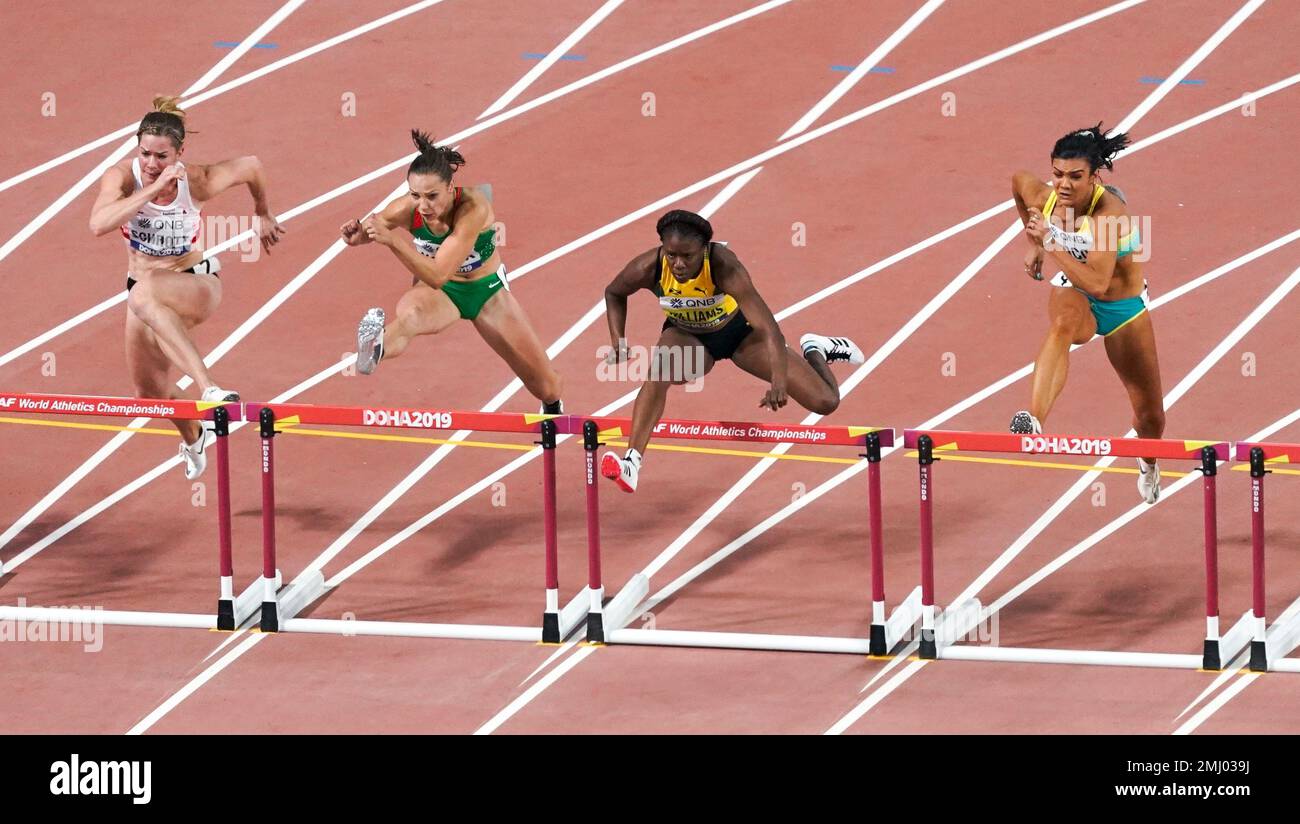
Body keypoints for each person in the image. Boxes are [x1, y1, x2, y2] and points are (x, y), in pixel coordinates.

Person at [89, 96, 284, 480]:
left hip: (195, 282)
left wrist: (262, 212)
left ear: (180, 153)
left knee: (143, 294)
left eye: (162, 157)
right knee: (149, 394)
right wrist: (151, 189)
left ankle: (209, 388)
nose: (151, 164)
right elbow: (98, 224)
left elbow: (251, 166)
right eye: (145, 154)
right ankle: (195, 434)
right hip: (144, 294)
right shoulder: (122, 178)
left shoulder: (196, 181)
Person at [599, 209, 864, 492]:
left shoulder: (724, 266)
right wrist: (619, 341)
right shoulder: (648, 268)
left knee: (825, 402)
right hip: (688, 337)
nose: (678, 264)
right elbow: (614, 292)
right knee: (658, 373)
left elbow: (769, 328)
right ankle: (631, 463)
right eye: (671, 254)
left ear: (704, 250)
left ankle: (815, 349)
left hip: (740, 335)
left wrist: (778, 380)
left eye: (687, 256)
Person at [342, 130, 562, 414]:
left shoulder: (473, 209)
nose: (423, 205)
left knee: (547, 387)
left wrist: (393, 241)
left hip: (487, 293)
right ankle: (375, 348)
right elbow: (375, 228)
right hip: (441, 294)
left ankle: (552, 408)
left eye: (432, 196)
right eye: (415, 195)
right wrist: (358, 235)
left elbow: (438, 273)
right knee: (411, 317)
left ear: (451, 188)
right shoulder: (404, 209)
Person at [1011, 123, 1165, 503]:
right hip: (1076, 292)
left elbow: (1098, 282)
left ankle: (1148, 461)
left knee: (1151, 419)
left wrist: (1049, 240)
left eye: (1075, 177)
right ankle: (1033, 419)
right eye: (1058, 174)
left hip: (1123, 307)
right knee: (1063, 325)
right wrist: (1033, 243)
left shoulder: (1110, 213)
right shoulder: (1046, 198)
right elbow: (1018, 182)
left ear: (1094, 177)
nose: (1064, 185)